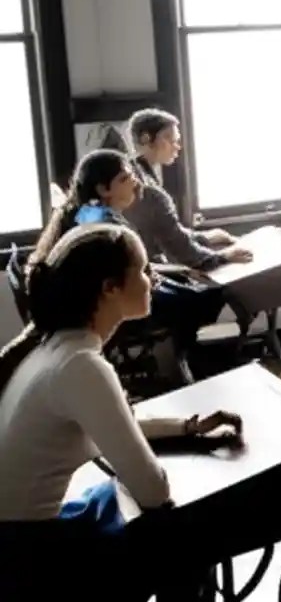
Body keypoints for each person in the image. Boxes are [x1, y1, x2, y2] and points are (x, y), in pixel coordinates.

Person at [0, 224, 241, 600]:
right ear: (109, 287)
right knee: (181, 533)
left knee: (118, 498)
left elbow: (108, 426)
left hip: (16, 541)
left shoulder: (54, 346)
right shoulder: (81, 365)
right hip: (28, 560)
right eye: (144, 270)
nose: (153, 278)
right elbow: (153, 489)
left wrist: (188, 426)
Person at [29, 149, 220, 389]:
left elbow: (138, 267)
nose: (135, 182)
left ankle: (175, 358)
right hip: (100, 305)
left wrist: (178, 270)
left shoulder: (89, 212)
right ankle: (174, 363)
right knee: (194, 299)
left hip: (105, 294)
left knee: (191, 288)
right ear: (103, 189)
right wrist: (175, 272)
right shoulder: (100, 224)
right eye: (124, 178)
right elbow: (128, 275)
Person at [123, 108, 250, 271]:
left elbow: (169, 231)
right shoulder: (148, 191)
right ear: (146, 138)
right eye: (171, 140)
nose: (178, 147)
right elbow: (183, 252)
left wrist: (204, 238)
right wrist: (223, 257)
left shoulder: (135, 173)